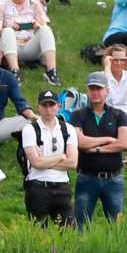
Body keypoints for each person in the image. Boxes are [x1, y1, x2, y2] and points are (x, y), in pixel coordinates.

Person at [71, 72, 127, 227]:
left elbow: (124, 143)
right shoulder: (78, 115)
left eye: (99, 88)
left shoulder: (119, 115)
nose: (95, 92)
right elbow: (80, 141)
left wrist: (96, 149)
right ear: (87, 90)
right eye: (92, 89)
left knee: (117, 226)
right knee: (80, 225)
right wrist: (108, 140)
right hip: (86, 178)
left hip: (113, 179)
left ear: (107, 90)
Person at [20, 89, 77, 227]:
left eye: (51, 105)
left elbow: (73, 163)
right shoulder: (30, 129)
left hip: (62, 187)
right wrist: (61, 156)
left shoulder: (68, 129)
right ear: (38, 107)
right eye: (44, 105)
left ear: (58, 106)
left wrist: (44, 161)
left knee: (69, 234)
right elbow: (36, 162)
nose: (48, 109)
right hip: (38, 187)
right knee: (39, 236)